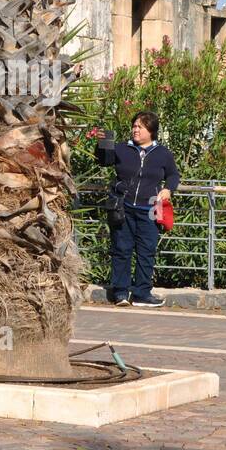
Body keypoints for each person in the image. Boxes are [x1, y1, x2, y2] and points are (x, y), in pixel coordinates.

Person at [97, 110, 180, 308]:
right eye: (134, 126)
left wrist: (168, 189)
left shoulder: (163, 154)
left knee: (147, 251)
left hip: (150, 208)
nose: (135, 130)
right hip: (123, 207)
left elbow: (173, 175)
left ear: (150, 130)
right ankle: (121, 293)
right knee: (122, 250)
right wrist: (101, 144)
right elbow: (104, 160)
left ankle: (142, 294)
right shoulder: (122, 149)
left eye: (139, 127)